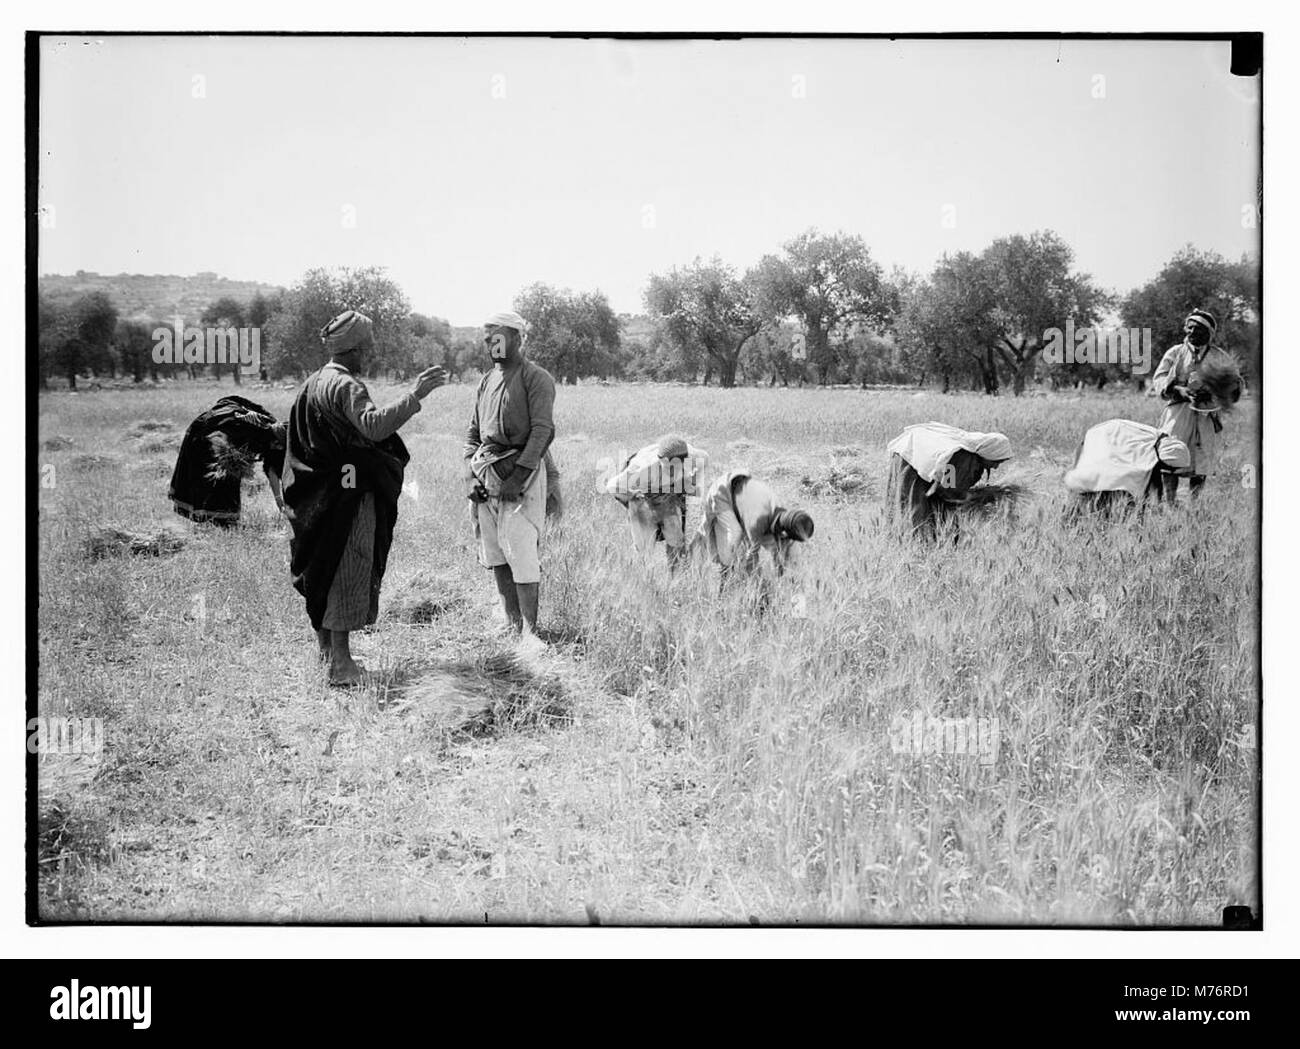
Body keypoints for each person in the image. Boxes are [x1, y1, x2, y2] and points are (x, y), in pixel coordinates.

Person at [282, 309, 445, 686]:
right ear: (352, 349)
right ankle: (341, 663)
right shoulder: (346, 386)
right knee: (346, 570)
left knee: (322, 572)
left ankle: (327, 656)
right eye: (364, 347)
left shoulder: (314, 382)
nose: (367, 353)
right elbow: (373, 428)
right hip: (347, 498)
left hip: (317, 497)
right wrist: (415, 395)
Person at [464, 310, 556, 650]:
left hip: (523, 474)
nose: (494, 345)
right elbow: (473, 433)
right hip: (486, 471)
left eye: (500, 338)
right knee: (496, 552)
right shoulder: (486, 381)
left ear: (518, 339)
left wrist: (518, 476)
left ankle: (531, 632)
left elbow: (543, 430)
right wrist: (469, 476)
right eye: (489, 340)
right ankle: (511, 622)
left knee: (521, 548)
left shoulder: (536, 378)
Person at [1150, 308, 1242, 501]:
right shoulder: (1175, 353)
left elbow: (1235, 383)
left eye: (1198, 330)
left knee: (1201, 460)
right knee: (1171, 454)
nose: (1192, 333)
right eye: (1190, 328)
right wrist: (1180, 391)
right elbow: (1158, 378)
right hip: (1178, 413)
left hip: (1206, 414)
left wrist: (1218, 390)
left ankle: (1195, 504)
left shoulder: (1219, 356)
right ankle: (1170, 503)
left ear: (1209, 334)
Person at [169, 396, 286, 526]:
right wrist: (229, 458)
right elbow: (220, 429)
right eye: (278, 446)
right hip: (206, 435)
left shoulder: (275, 439)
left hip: (221, 437)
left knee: (229, 478)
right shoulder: (251, 429)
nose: (278, 448)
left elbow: (271, 468)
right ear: (276, 442)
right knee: (219, 479)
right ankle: (218, 522)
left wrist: (278, 498)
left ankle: (221, 521)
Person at [885, 422, 1012, 539]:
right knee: (915, 503)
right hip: (912, 454)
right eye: (996, 462)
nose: (996, 467)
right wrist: (980, 495)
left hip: (920, 450)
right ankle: (915, 541)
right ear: (989, 453)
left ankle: (933, 538)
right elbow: (945, 490)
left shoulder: (975, 459)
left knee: (934, 509)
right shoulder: (959, 458)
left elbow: (948, 488)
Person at [691, 468, 814, 585]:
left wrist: (782, 570)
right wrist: (758, 584)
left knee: (769, 549)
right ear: (783, 533)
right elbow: (751, 558)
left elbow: (781, 549)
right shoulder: (757, 521)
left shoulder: (784, 515)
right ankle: (724, 580)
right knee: (733, 539)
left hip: (742, 495)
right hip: (723, 493)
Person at [605, 435, 709, 571]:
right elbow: (612, 486)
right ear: (660, 460)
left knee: (676, 540)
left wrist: (692, 483)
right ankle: (644, 578)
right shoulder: (642, 468)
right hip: (642, 497)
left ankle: (676, 576)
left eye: (674, 468)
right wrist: (633, 498)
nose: (671, 471)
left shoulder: (693, 456)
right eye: (667, 467)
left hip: (669, 495)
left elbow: (705, 458)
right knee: (644, 548)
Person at [1062, 418, 1191, 515]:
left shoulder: (1154, 439)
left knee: (1086, 488)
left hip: (1098, 435)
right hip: (1104, 436)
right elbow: (1153, 489)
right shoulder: (1151, 450)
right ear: (1164, 461)